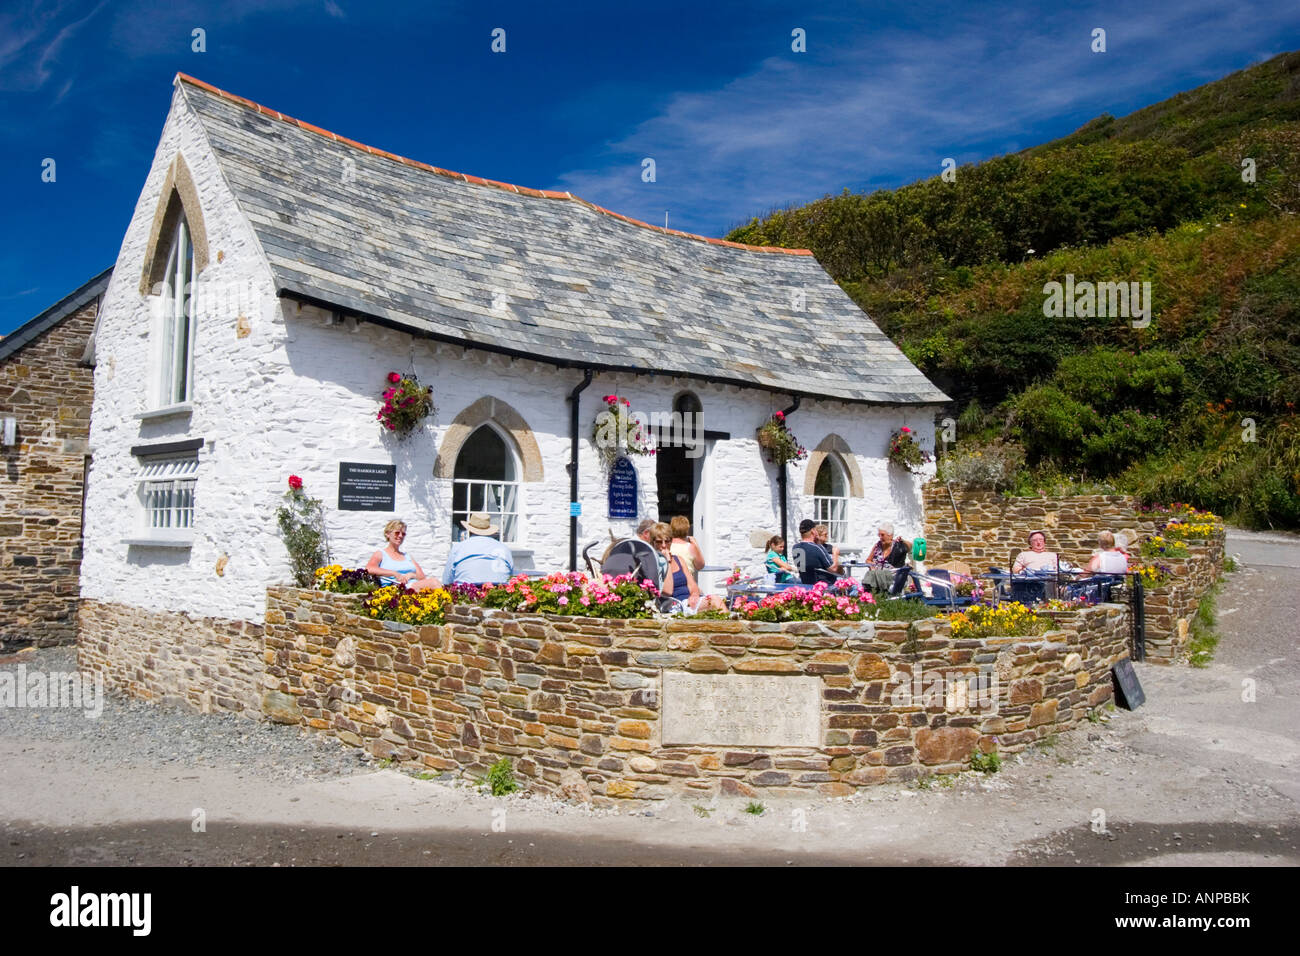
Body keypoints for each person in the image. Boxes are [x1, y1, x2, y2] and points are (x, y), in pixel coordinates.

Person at [442, 512, 515, 586]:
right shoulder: (504, 548)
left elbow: (447, 580)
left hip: (466, 592)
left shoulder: (459, 547)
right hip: (499, 593)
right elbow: (510, 576)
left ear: (470, 530)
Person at [365, 519, 438, 588]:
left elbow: (422, 577)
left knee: (434, 583)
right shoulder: (381, 554)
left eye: (403, 534)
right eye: (397, 533)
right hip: (395, 587)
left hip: (413, 585)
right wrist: (394, 573)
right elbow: (369, 569)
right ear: (387, 534)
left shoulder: (407, 556)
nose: (400, 536)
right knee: (434, 583)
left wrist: (412, 575)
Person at [861, 521, 912, 593]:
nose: (880, 537)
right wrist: (871, 565)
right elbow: (868, 560)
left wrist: (903, 540)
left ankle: (867, 593)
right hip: (876, 575)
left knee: (872, 575)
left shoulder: (898, 546)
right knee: (873, 574)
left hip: (892, 577)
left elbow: (910, 547)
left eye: (882, 535)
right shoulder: (877, 546)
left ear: (890, 535)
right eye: (879, 535)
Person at [791, 519, 840, 586]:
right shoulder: (817, 548)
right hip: (824, 586)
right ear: (813, 531)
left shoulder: (795, 548)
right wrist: (835, 553)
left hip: (806, 584)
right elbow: (833, 569)